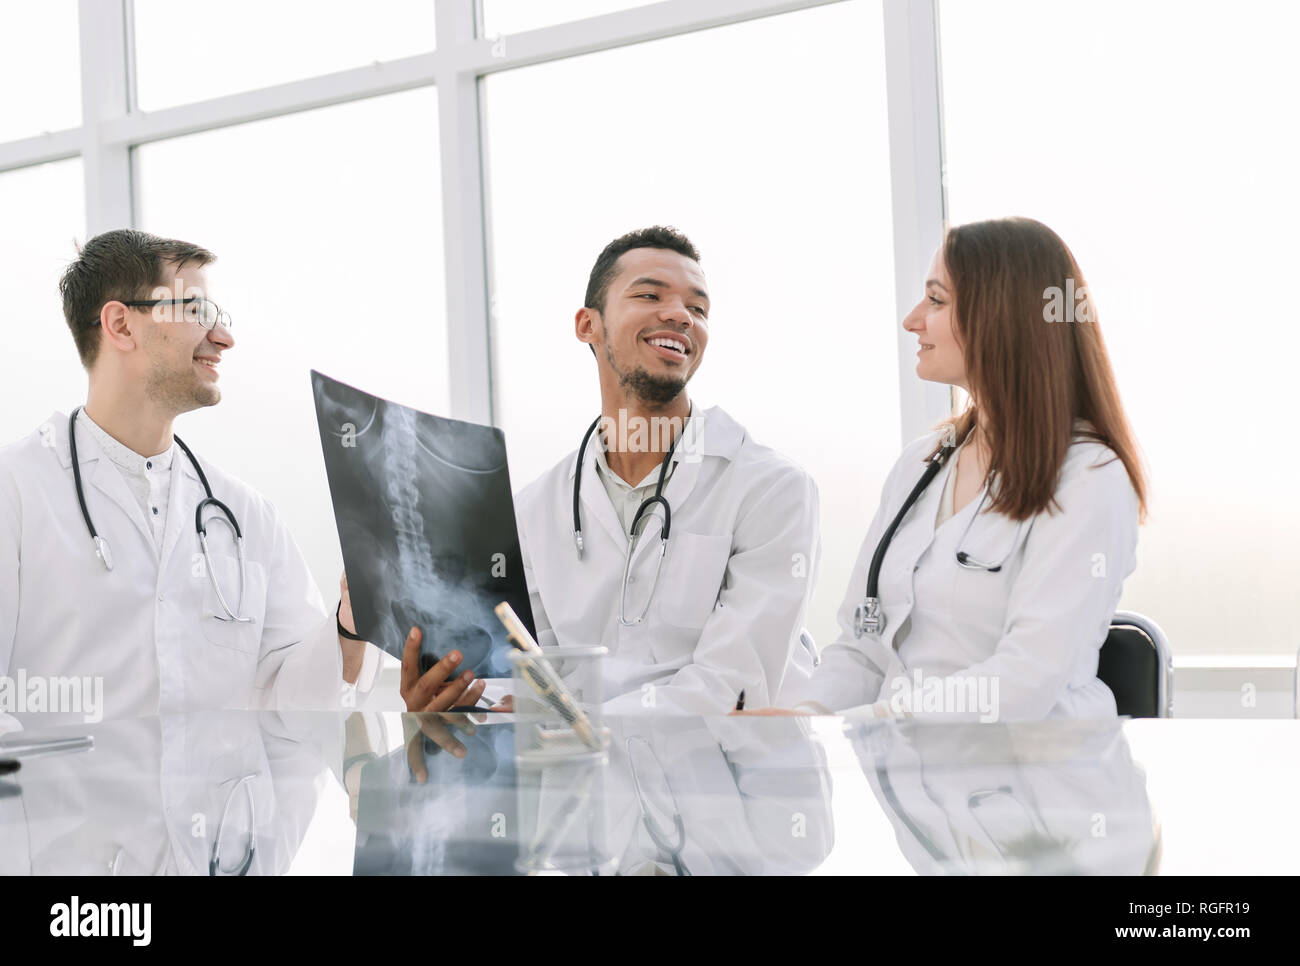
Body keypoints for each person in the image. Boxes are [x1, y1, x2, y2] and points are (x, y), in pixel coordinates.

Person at [0, 229, 455, 720]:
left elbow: (294, 710)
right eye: (197, 312)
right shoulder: (16, 493)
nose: (224, 337)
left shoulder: (244, 515)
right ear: (121, 326)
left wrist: (350, 621)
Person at [400, 226, 820, 714]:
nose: (680, 315)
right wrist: (458, 698)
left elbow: (733, 689)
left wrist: (570, 720)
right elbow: (536, 675)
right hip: (593, 780)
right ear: (587, 325)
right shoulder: (537, 510)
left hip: (732, 781)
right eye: (649, 294)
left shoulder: (771, 489)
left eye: (698, 308)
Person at [745, 217, 1147, 721]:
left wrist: (867, 724)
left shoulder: (1091, 476)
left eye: (936, 300)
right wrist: (806, 719)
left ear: (1002, 316)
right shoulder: (922, 462)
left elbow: (1026, 679)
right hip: (910, 782)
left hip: (1035, 783)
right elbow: (861, 649)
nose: (913, 319)